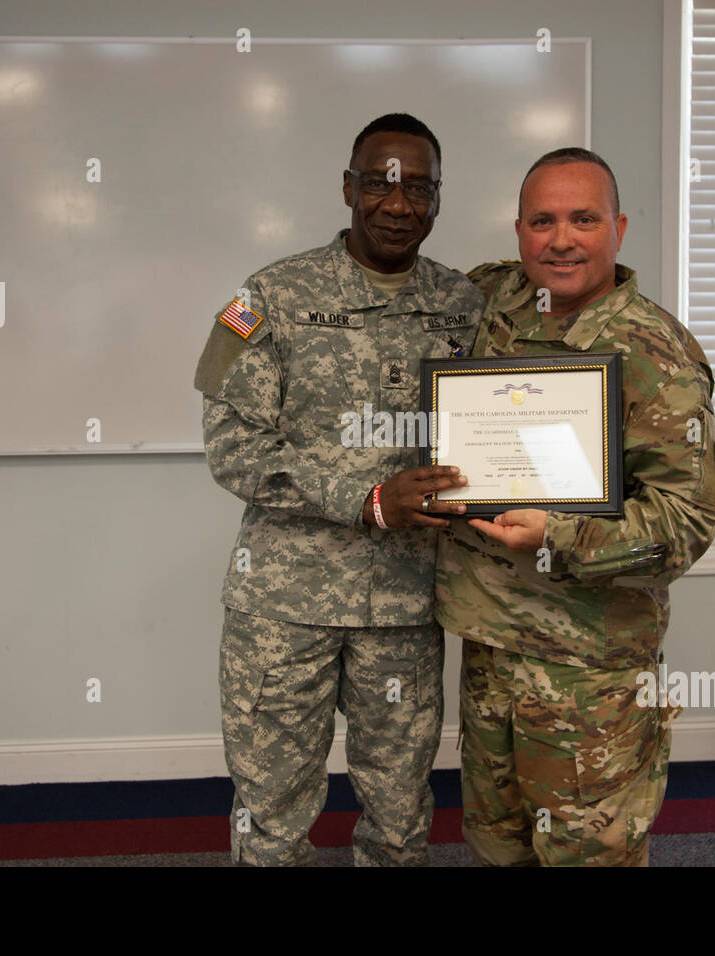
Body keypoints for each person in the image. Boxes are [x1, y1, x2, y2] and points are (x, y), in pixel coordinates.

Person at [193, 112, 483, 866]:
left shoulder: (467, 308)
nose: (398, 203)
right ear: (348, 187)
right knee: (273, 817)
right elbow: (232, 447)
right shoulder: (271, 296)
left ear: (438, 198)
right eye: (381, 183)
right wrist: (367, 496)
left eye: (418, 186)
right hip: (285, 610)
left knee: (399, 817)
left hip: (404, 604)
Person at [436, 147, 715, 866]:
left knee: (586, 856)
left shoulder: (656, 355)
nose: (561, 238)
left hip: (589, 675)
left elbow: (689, 521)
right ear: (517, 232)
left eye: (583, 219)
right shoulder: (490, 298)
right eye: (542, 220)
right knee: (497, 848)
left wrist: (561, 535)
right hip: (488, 652)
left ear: (619, 228)